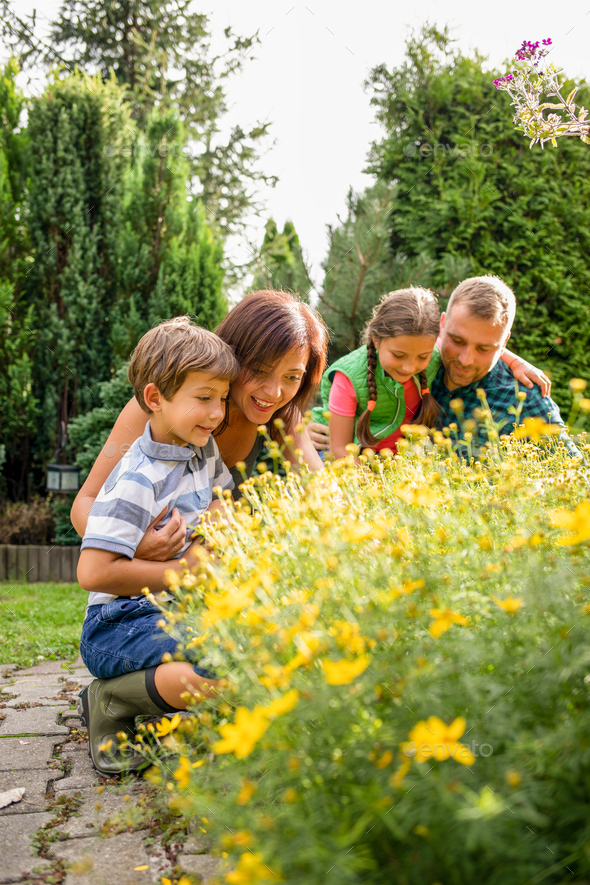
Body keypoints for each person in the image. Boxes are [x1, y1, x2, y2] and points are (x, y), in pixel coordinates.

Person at [76, 317, 240, 774]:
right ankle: (108, 700)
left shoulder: (201, 451)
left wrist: (217, 532)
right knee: (214, 667)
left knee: (246, 649)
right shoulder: (135, 478)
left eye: (222, 399)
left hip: (175, 608)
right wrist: (183, 570)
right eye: (204, 398)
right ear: (155, 398)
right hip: (117, 622)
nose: (217, 413)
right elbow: (93, 573)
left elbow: (225, 502)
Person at [310, 286, 551, 458]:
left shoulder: (435, 355)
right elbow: (338, 449)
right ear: (443, 328)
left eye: (485, 348)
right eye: (457, 340)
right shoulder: (354, 375)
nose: (409, 367)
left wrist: (515, 361)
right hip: (348, 461)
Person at [430, 275, 577, 454]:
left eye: (484, 349)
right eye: (457, 340)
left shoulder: (526, 401)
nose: (465, 360)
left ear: (503, 343)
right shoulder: (416, 365)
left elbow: (575, 475)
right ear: (442, 324)